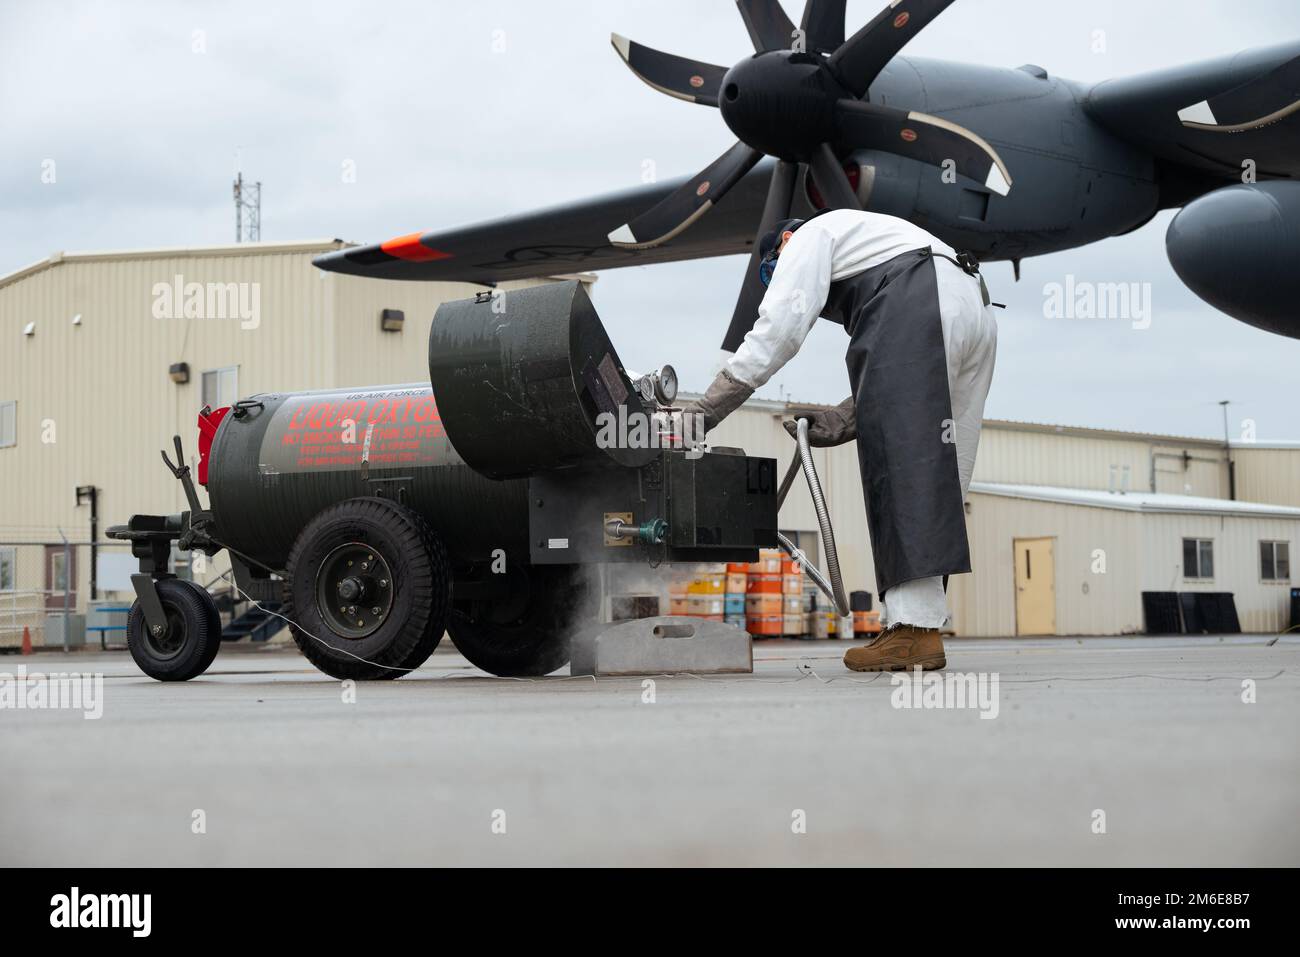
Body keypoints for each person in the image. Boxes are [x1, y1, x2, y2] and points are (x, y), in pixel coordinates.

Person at [680, 208, 998, 672]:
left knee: (902, 466)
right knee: (940, 470)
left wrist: (704, 412)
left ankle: (913, 632)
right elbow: (907, 381)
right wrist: (851, 414)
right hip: (974, 307)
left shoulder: (807, 237)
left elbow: (777, 334)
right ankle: (918, 627)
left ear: (782, 245)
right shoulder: (870, 237)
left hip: (918, 295)